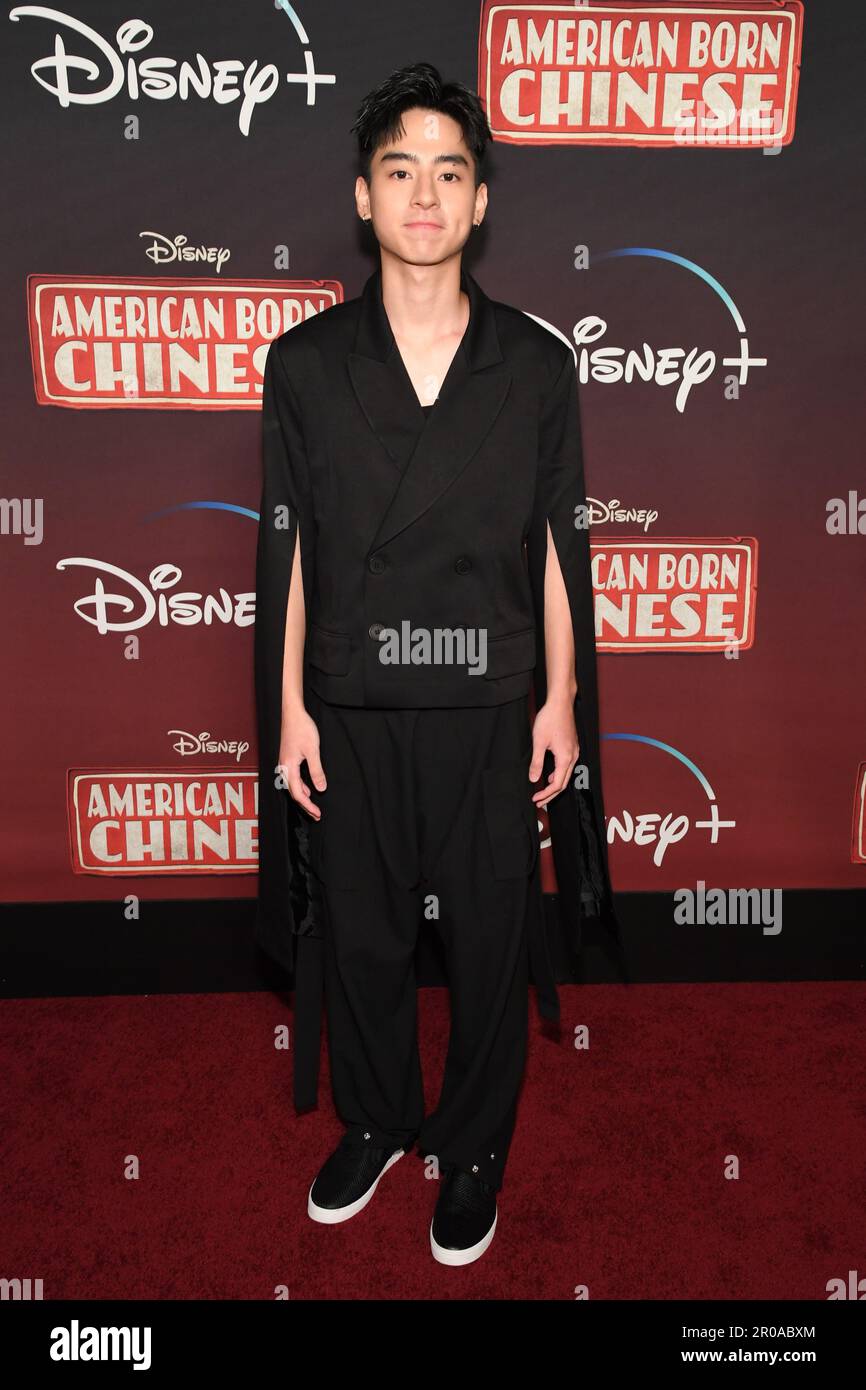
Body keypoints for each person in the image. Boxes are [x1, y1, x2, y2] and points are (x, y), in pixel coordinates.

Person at [253, 62, 625, 1267]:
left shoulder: (532, 364)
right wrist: (292, 705)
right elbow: (291, 544)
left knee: (484, 938)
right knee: (359, 933)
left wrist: (560, 698)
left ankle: (470, 1145)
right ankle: (373, 1117)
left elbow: (557, 546)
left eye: (449, 172)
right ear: (363, 197)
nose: (424, 193)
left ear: (479, 204)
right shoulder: (303, 366)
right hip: (352, 702)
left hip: (486, 698)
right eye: (399, 170)